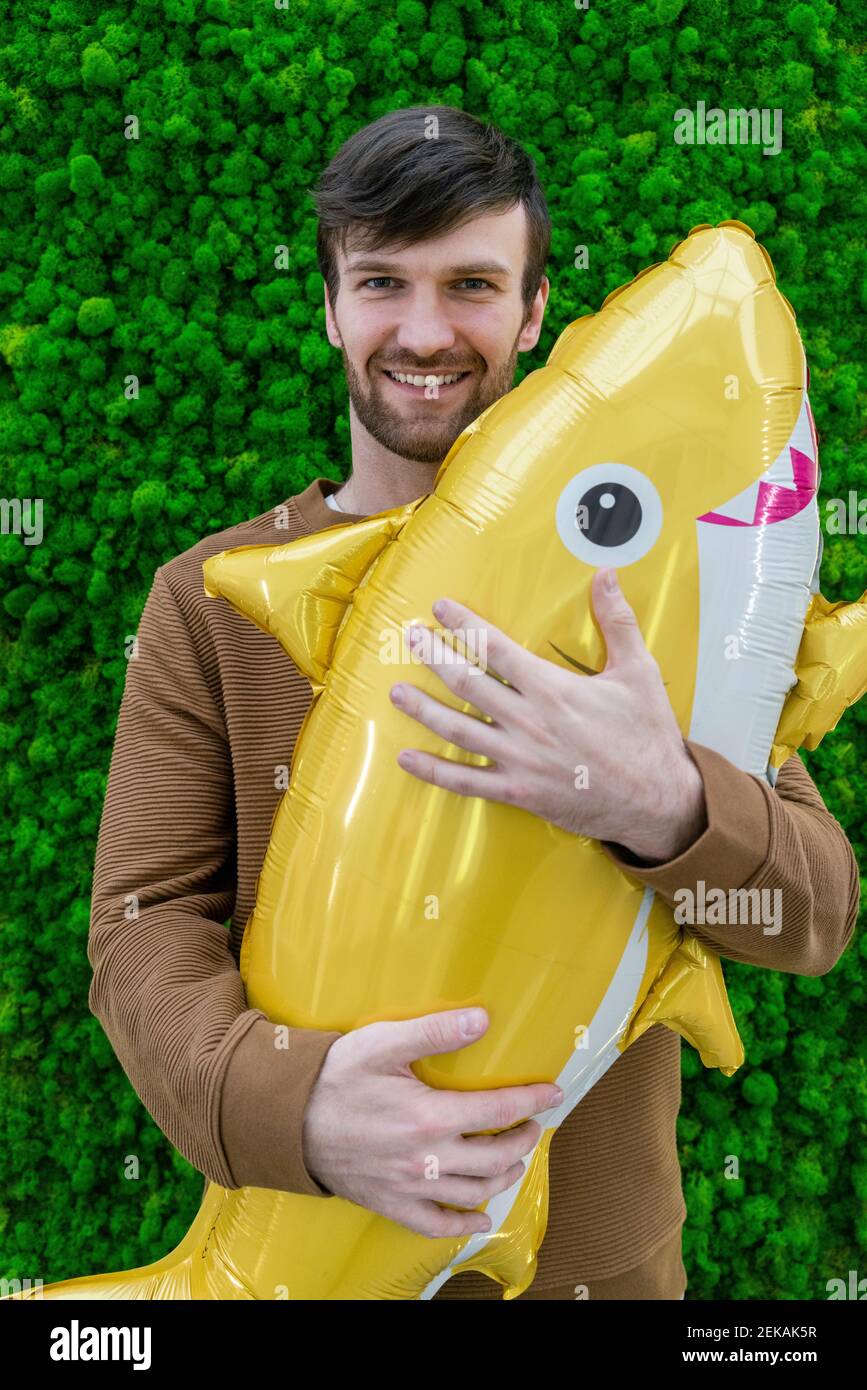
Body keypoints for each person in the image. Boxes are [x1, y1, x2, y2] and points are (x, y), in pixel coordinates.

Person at [88, 105, 859, 1301]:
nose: (426, 331)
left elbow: (817, 913)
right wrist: (299, 1108)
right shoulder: (209, 600)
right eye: (384, 283)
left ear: (535, 310)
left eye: (473, 284)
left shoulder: (647, 590)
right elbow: (141, 926)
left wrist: (665, 802)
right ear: (332, 306)